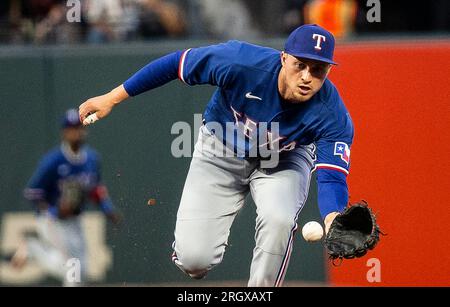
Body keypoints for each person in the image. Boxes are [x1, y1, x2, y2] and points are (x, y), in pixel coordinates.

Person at [78, 24, 353, 287]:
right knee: (193, 261)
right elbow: (176, 63)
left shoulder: (333, 114)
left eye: (317, 69)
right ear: (283, 58)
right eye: (300, 65)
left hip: (283, 160)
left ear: (328, 70)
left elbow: (332, 178)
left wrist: (332, 217)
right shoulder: (240, 62)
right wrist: (112, 97)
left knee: (278, 220)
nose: (306, 76)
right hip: (220, 150)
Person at [12, 109, 120, 286]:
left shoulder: (91, 159)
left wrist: (107, 209)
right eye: (71, 128)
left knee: (81, 269)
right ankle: (33, 249)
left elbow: (96, 189)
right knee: (73, 267)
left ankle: (33, 249)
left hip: (75, 218)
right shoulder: (53, 160)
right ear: (64, 132)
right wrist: (55, 209)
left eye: (78, 127)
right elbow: (32, 192)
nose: (75, 132)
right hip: (52, 220)